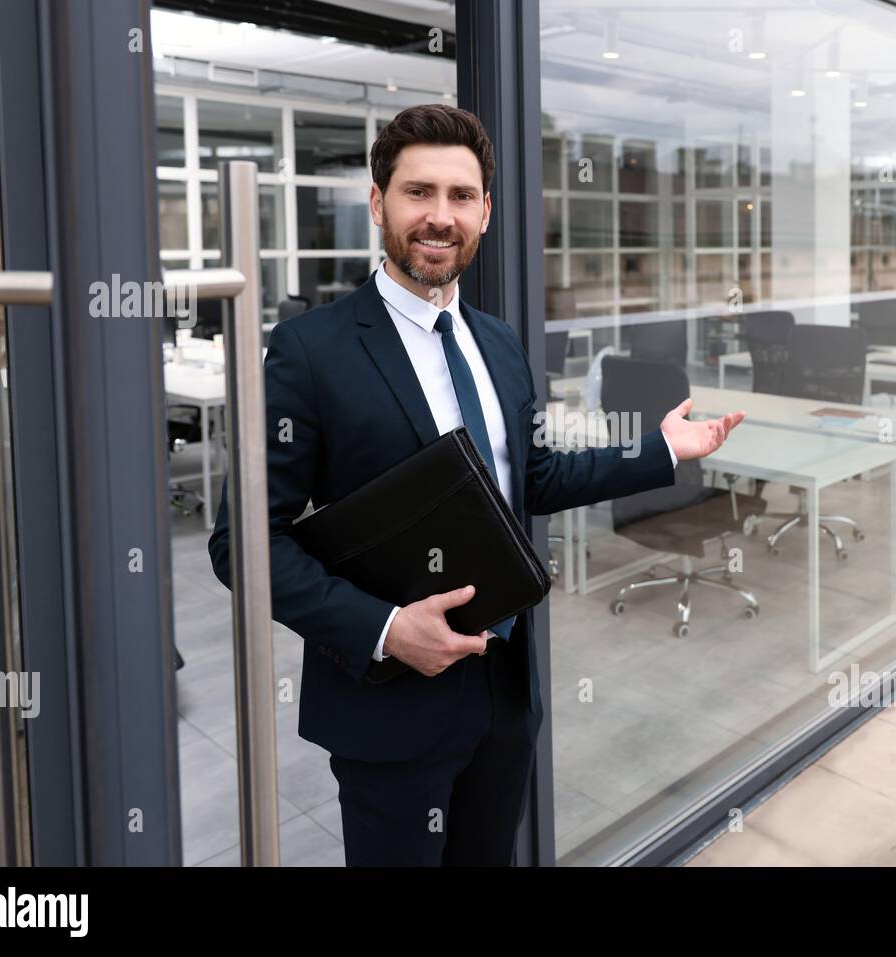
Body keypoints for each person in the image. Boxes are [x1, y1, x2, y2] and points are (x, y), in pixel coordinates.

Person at [208, 104, 744, 866]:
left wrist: (659, 449)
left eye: (461, 196)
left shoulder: (497, 340)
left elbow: (534, 476)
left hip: (503, 694)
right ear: (378, 203)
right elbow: (244, 543)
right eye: (417, 192)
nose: (439, 216)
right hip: (389, 706)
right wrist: (387, 629)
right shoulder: (309, 350)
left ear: (485, 212)